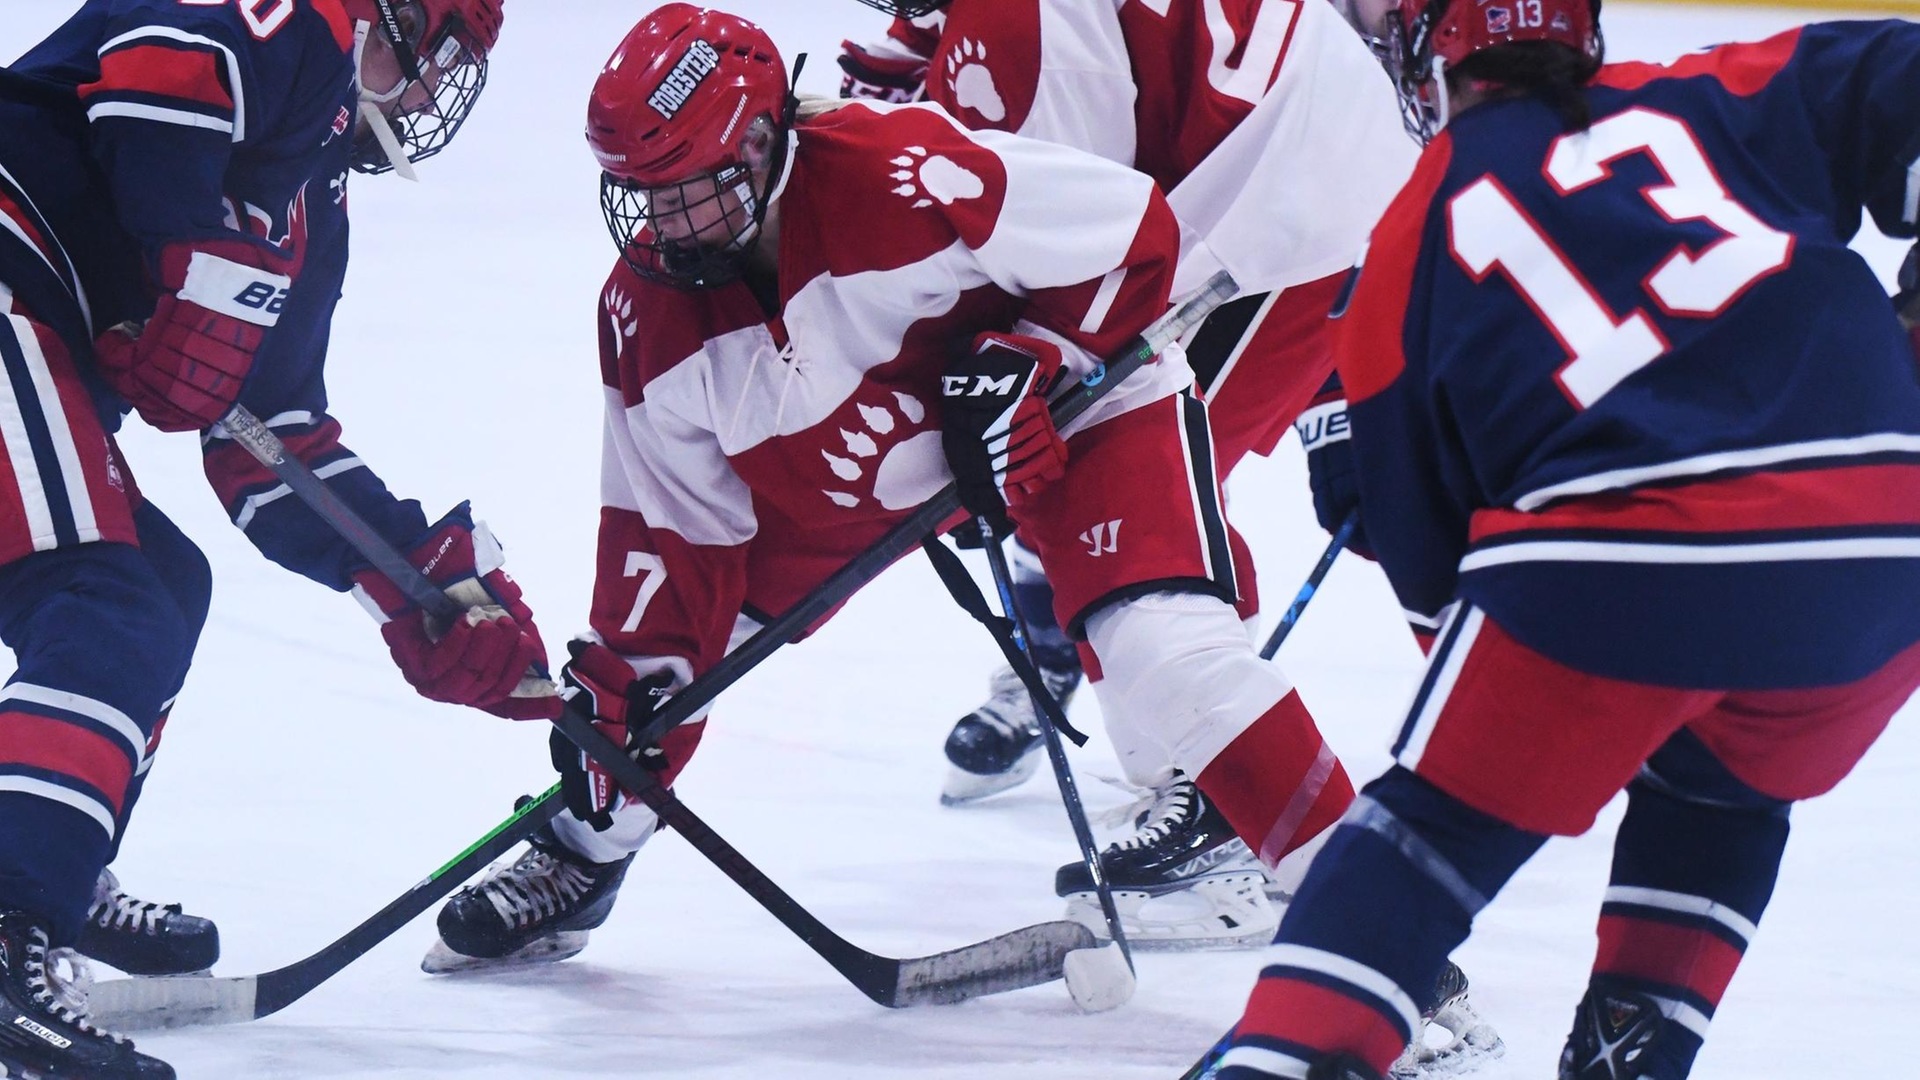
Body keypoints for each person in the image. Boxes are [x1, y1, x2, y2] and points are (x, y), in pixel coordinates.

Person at [420, 3, 1357, 988]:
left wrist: (1039, 354)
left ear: (761, 139)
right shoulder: (645, 316)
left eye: (690, 189)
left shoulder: (909, 174)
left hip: (1059, 416)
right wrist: (628, 692)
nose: (663, 224)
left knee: (1167, 654)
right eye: (640, 195)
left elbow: (1132, 231)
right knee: (657, 680)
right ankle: (583, 855)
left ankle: (1373, 929)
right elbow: (668, 529)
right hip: (855, 454)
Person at [1214, 1, 1920, 1077]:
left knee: (1431, 836)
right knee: (1723, 792)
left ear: (1425, 51)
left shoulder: (1409, 230)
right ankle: (1631, 1057)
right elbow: (1894, 67)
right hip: (1887, 554)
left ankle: (1280, 1059)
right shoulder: (1721, 92)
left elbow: (1424, 549)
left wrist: (1520, 727)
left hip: (1615, 564)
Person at [0, 2, 540, 1075]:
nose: (432, 98)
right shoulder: (297, 25)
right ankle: (16, 907)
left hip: (28, 320)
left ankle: (52, 850)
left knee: (161, 581)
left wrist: (418, 586)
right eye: (437, 61)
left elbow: (269, 437)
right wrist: (179, 242)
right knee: (110, 603)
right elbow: (163, 51)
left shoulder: (305, 202)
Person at [835, 0, 1419, 945]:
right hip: (1264, 181)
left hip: (1277, 215)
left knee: (1126, 467)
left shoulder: (1026, 27)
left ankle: (1216, 808)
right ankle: (1090, 671)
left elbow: (1076, 245)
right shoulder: (990, 27)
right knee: (1078, 461)